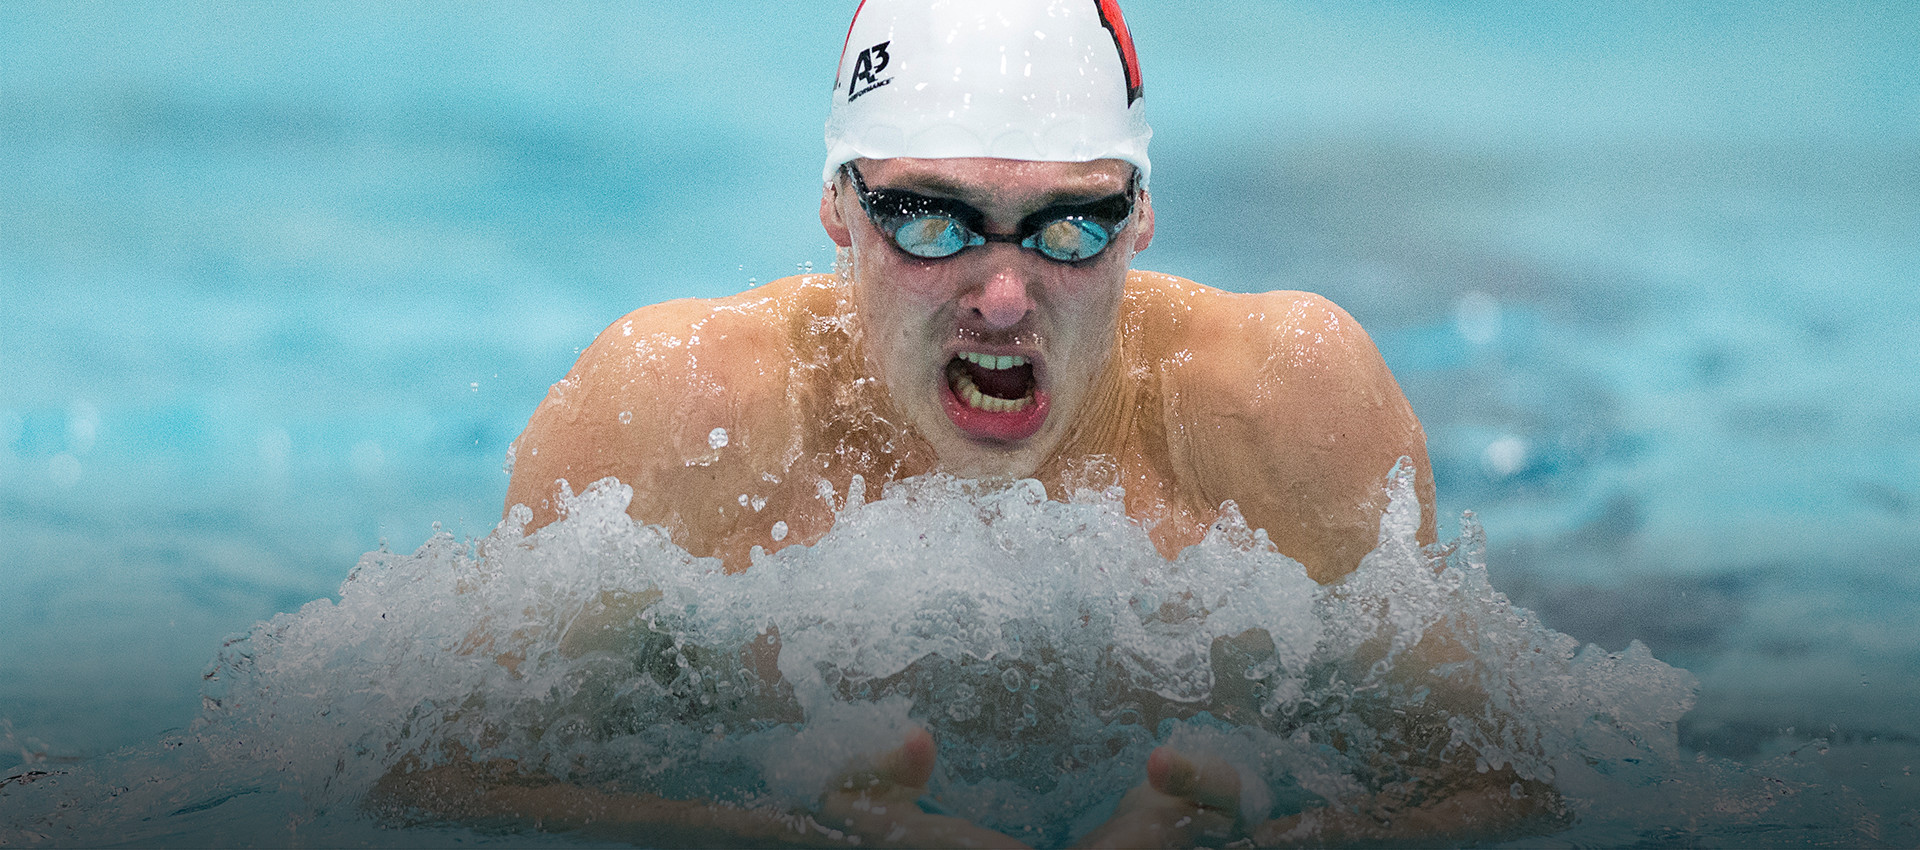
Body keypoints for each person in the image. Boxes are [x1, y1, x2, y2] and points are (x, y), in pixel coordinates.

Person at [381, 1, 1558, 846]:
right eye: (933, 221)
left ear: (1143, 217)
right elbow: (435, 784)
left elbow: (1511, 790)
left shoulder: (1277, 408)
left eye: (1069, 226)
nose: (1003, 297)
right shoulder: (690, 414)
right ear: (836, 207)